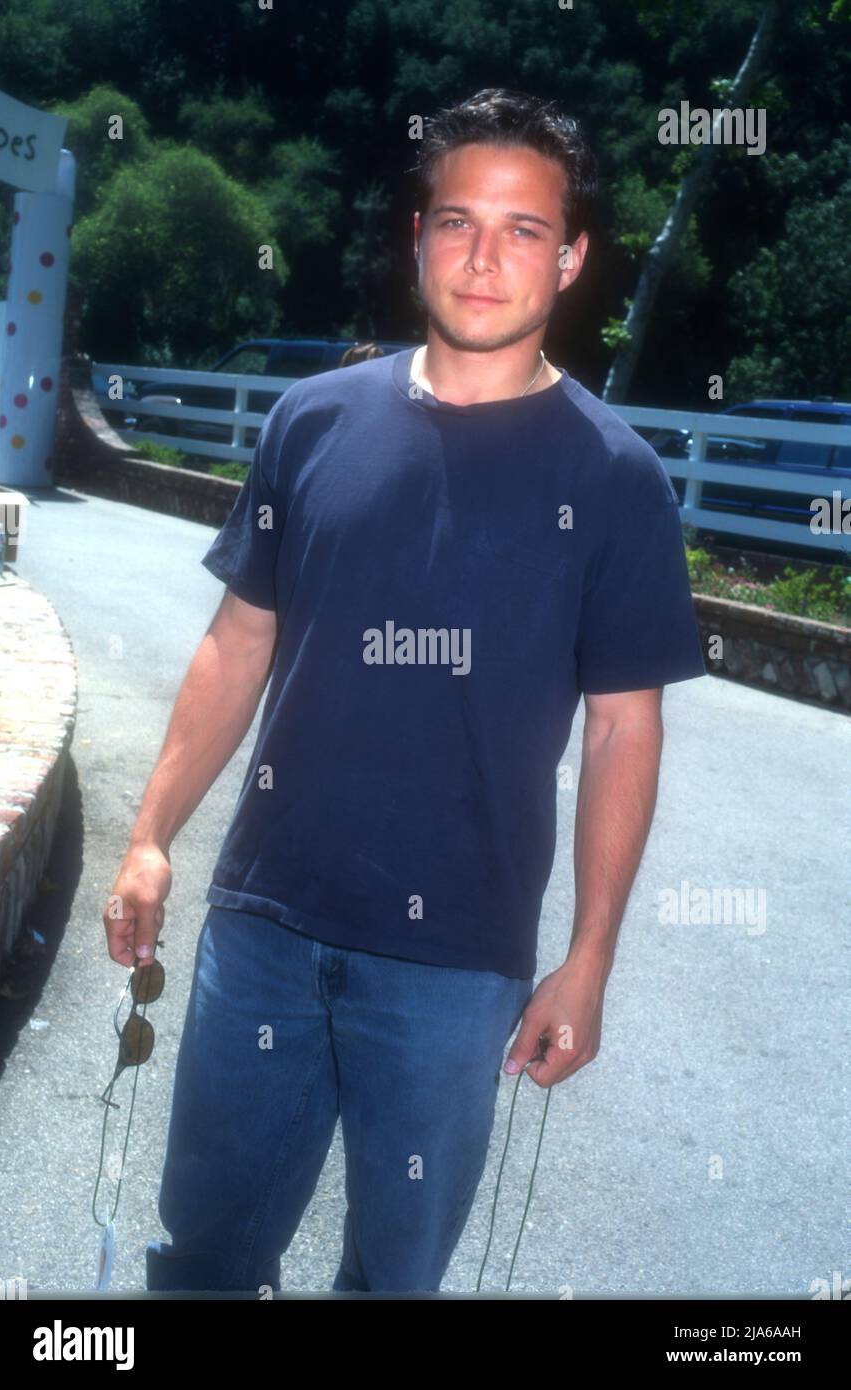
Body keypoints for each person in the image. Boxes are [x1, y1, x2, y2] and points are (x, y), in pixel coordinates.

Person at [103, 87, 707, 1294]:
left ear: (571, 258)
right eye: (457, 222)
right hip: (263, 924)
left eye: (524, 229)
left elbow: (621, 731)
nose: (484, 258)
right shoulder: (312, 421)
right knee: (204, 1259)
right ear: (418, 236)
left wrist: (586, 959)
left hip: (457, 967)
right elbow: (237, 642)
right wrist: (151, 835)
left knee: (392, 1281)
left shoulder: (617, 479)